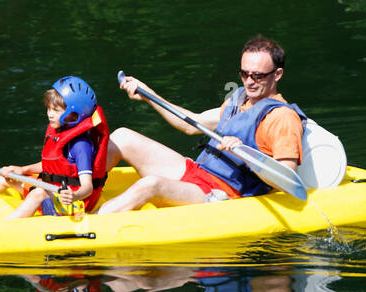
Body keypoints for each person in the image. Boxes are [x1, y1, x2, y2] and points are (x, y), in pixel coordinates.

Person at [98, 36, 305, 213]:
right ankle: (78, 191)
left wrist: (244, 152)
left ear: (277, 74)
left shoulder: (282, 118)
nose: (249, 82)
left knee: (151, 185)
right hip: (200, 173)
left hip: (222, 194)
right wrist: (149, 95)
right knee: (122, 137)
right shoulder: (241, 101)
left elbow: (287, 180)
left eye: (258, 76)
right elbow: (191, 124)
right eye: (244, 74)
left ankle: (88, 223)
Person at [0, 76, 111, 219]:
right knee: (5, 179)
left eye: (56, 110)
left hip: (73, 202)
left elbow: (87, 187)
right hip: (52, 188)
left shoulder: (80, 146)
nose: (50, 114)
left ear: (74, 114)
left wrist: (74, 195)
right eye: (49, 109)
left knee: (37, 194)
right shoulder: (59, 131)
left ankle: (0, 226)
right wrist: (22, 170)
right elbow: (51, 165)